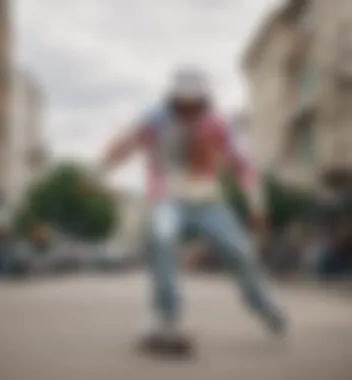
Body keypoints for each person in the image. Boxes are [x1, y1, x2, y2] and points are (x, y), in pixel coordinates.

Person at [92, 68, 287, 354]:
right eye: (182, 105)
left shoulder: (219, 124)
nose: (187, 112)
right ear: (172, 100)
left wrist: (257, 205)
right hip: (166, 197)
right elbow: (124, 146)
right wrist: (96, 172)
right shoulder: (154, 119)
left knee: (240, 251)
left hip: (209, 201)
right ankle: (167, 316)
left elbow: (243, 165)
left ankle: (264, 306)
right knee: (162, 238)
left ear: (204, 102)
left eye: (194, 106)